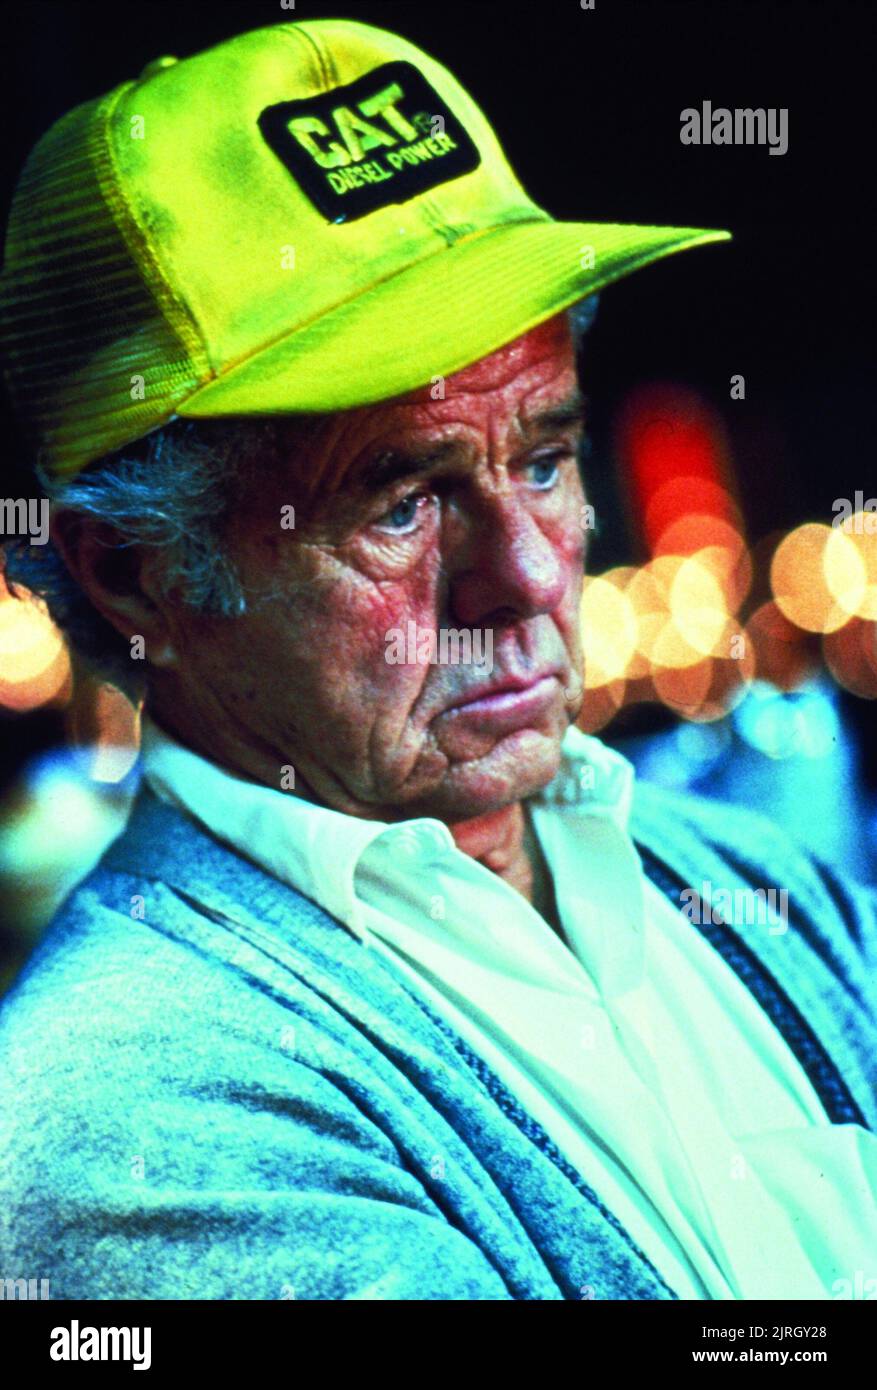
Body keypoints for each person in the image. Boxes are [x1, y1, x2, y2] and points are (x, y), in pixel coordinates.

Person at [0, 18, 874, 1302]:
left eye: (540, 460)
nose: (527, 574)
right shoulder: (121, 1120)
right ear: (136, 576)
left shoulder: (762, 884)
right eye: (399, 503)